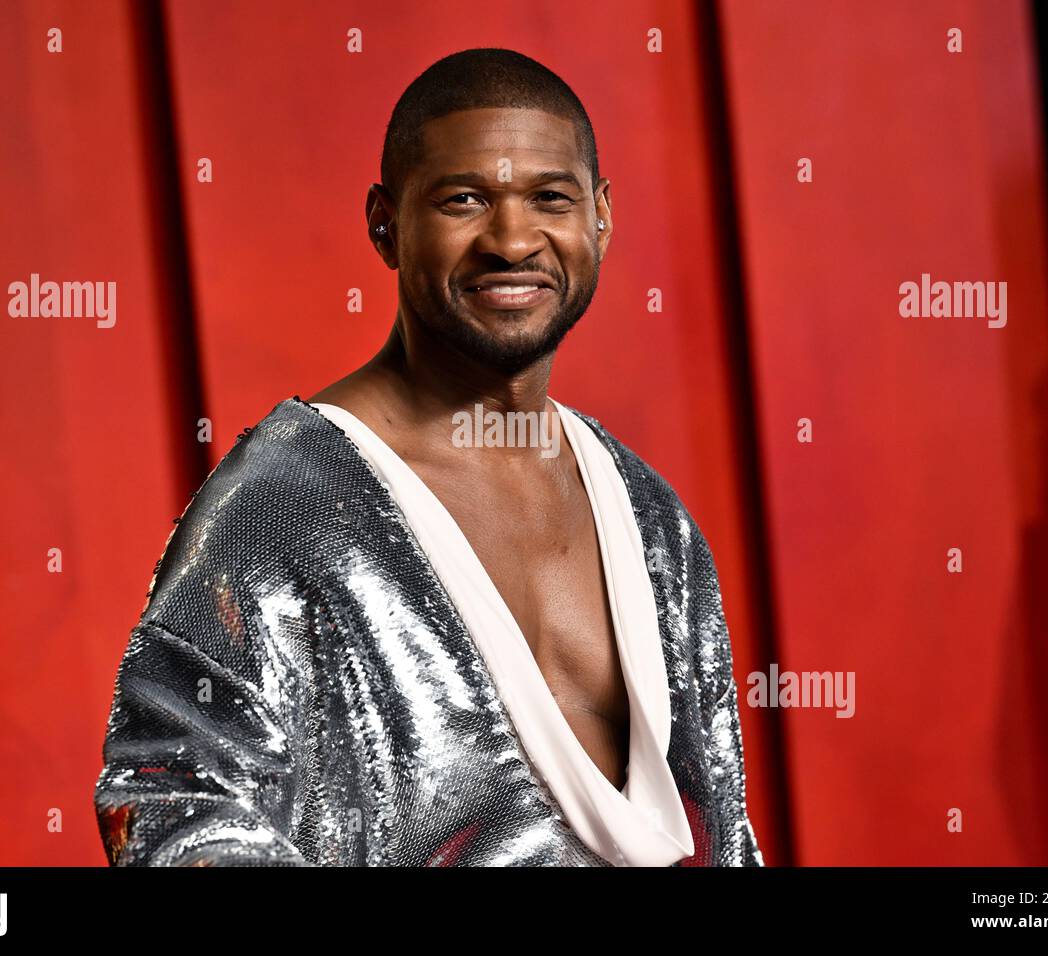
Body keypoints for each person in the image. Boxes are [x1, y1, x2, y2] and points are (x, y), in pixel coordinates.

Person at [92, 47, 762, 867]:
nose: (512, 240)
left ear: (601, 217)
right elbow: (172, 806)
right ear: (385, 223)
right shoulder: (284, 503)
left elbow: (723, 830)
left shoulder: (652, 519)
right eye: (464, 200)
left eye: (550, 197)